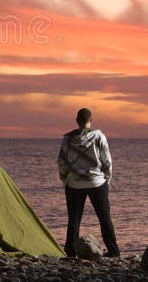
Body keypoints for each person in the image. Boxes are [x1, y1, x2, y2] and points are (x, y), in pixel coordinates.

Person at [57, 107, 120, 257]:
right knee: (104, 217)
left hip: (74, 183)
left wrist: (65, 179)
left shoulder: (68, 139)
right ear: (91, 120)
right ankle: (113, 251)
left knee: (74, 218)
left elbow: (61, 162)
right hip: (96, 182)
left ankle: (70, 251)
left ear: (77, 121)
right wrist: (107, 179)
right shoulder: (99, 136)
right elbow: (107, 161)